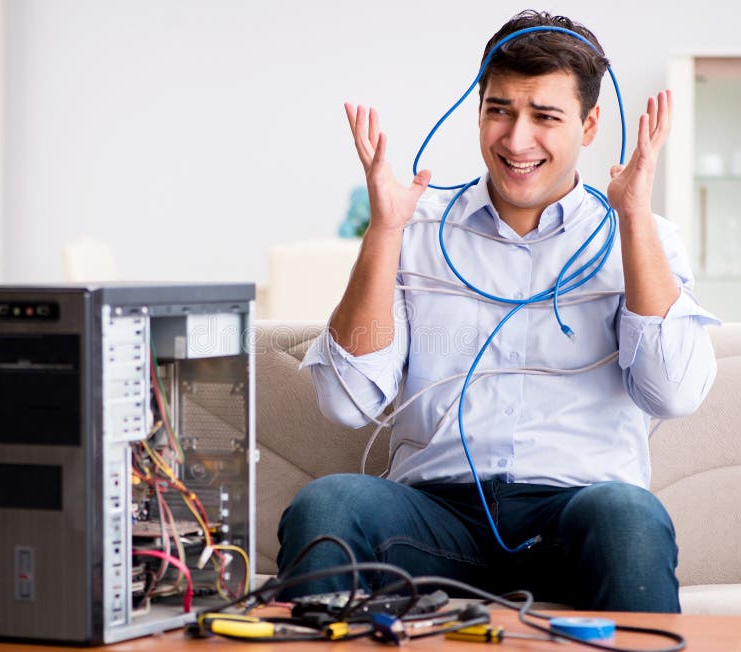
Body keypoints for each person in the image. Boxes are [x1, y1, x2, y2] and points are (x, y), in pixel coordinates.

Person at [276, 10, 719, 612]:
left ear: (589, 125)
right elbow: (346, 403)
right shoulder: (414, 229)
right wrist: (384, 232)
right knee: (328, 505)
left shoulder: (642, 236)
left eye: (546, 116)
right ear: (479, 111)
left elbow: (674, 394)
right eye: (500, 110)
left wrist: (634, 219)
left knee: (628, 513)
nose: (516, 139)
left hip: (576, 516)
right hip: (435, 517)